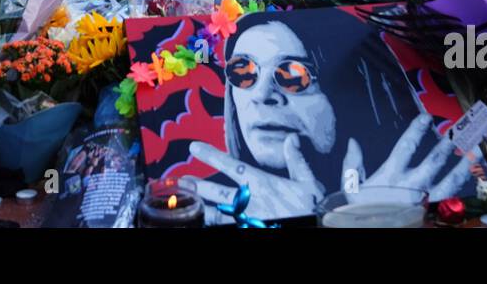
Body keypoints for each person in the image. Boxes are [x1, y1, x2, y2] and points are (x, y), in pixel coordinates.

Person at [181, 11, 471, 222]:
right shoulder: (204, 205)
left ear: (361, 89)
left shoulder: (443, 189)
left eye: (294, 74)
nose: (262, 94)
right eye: (243, 72)